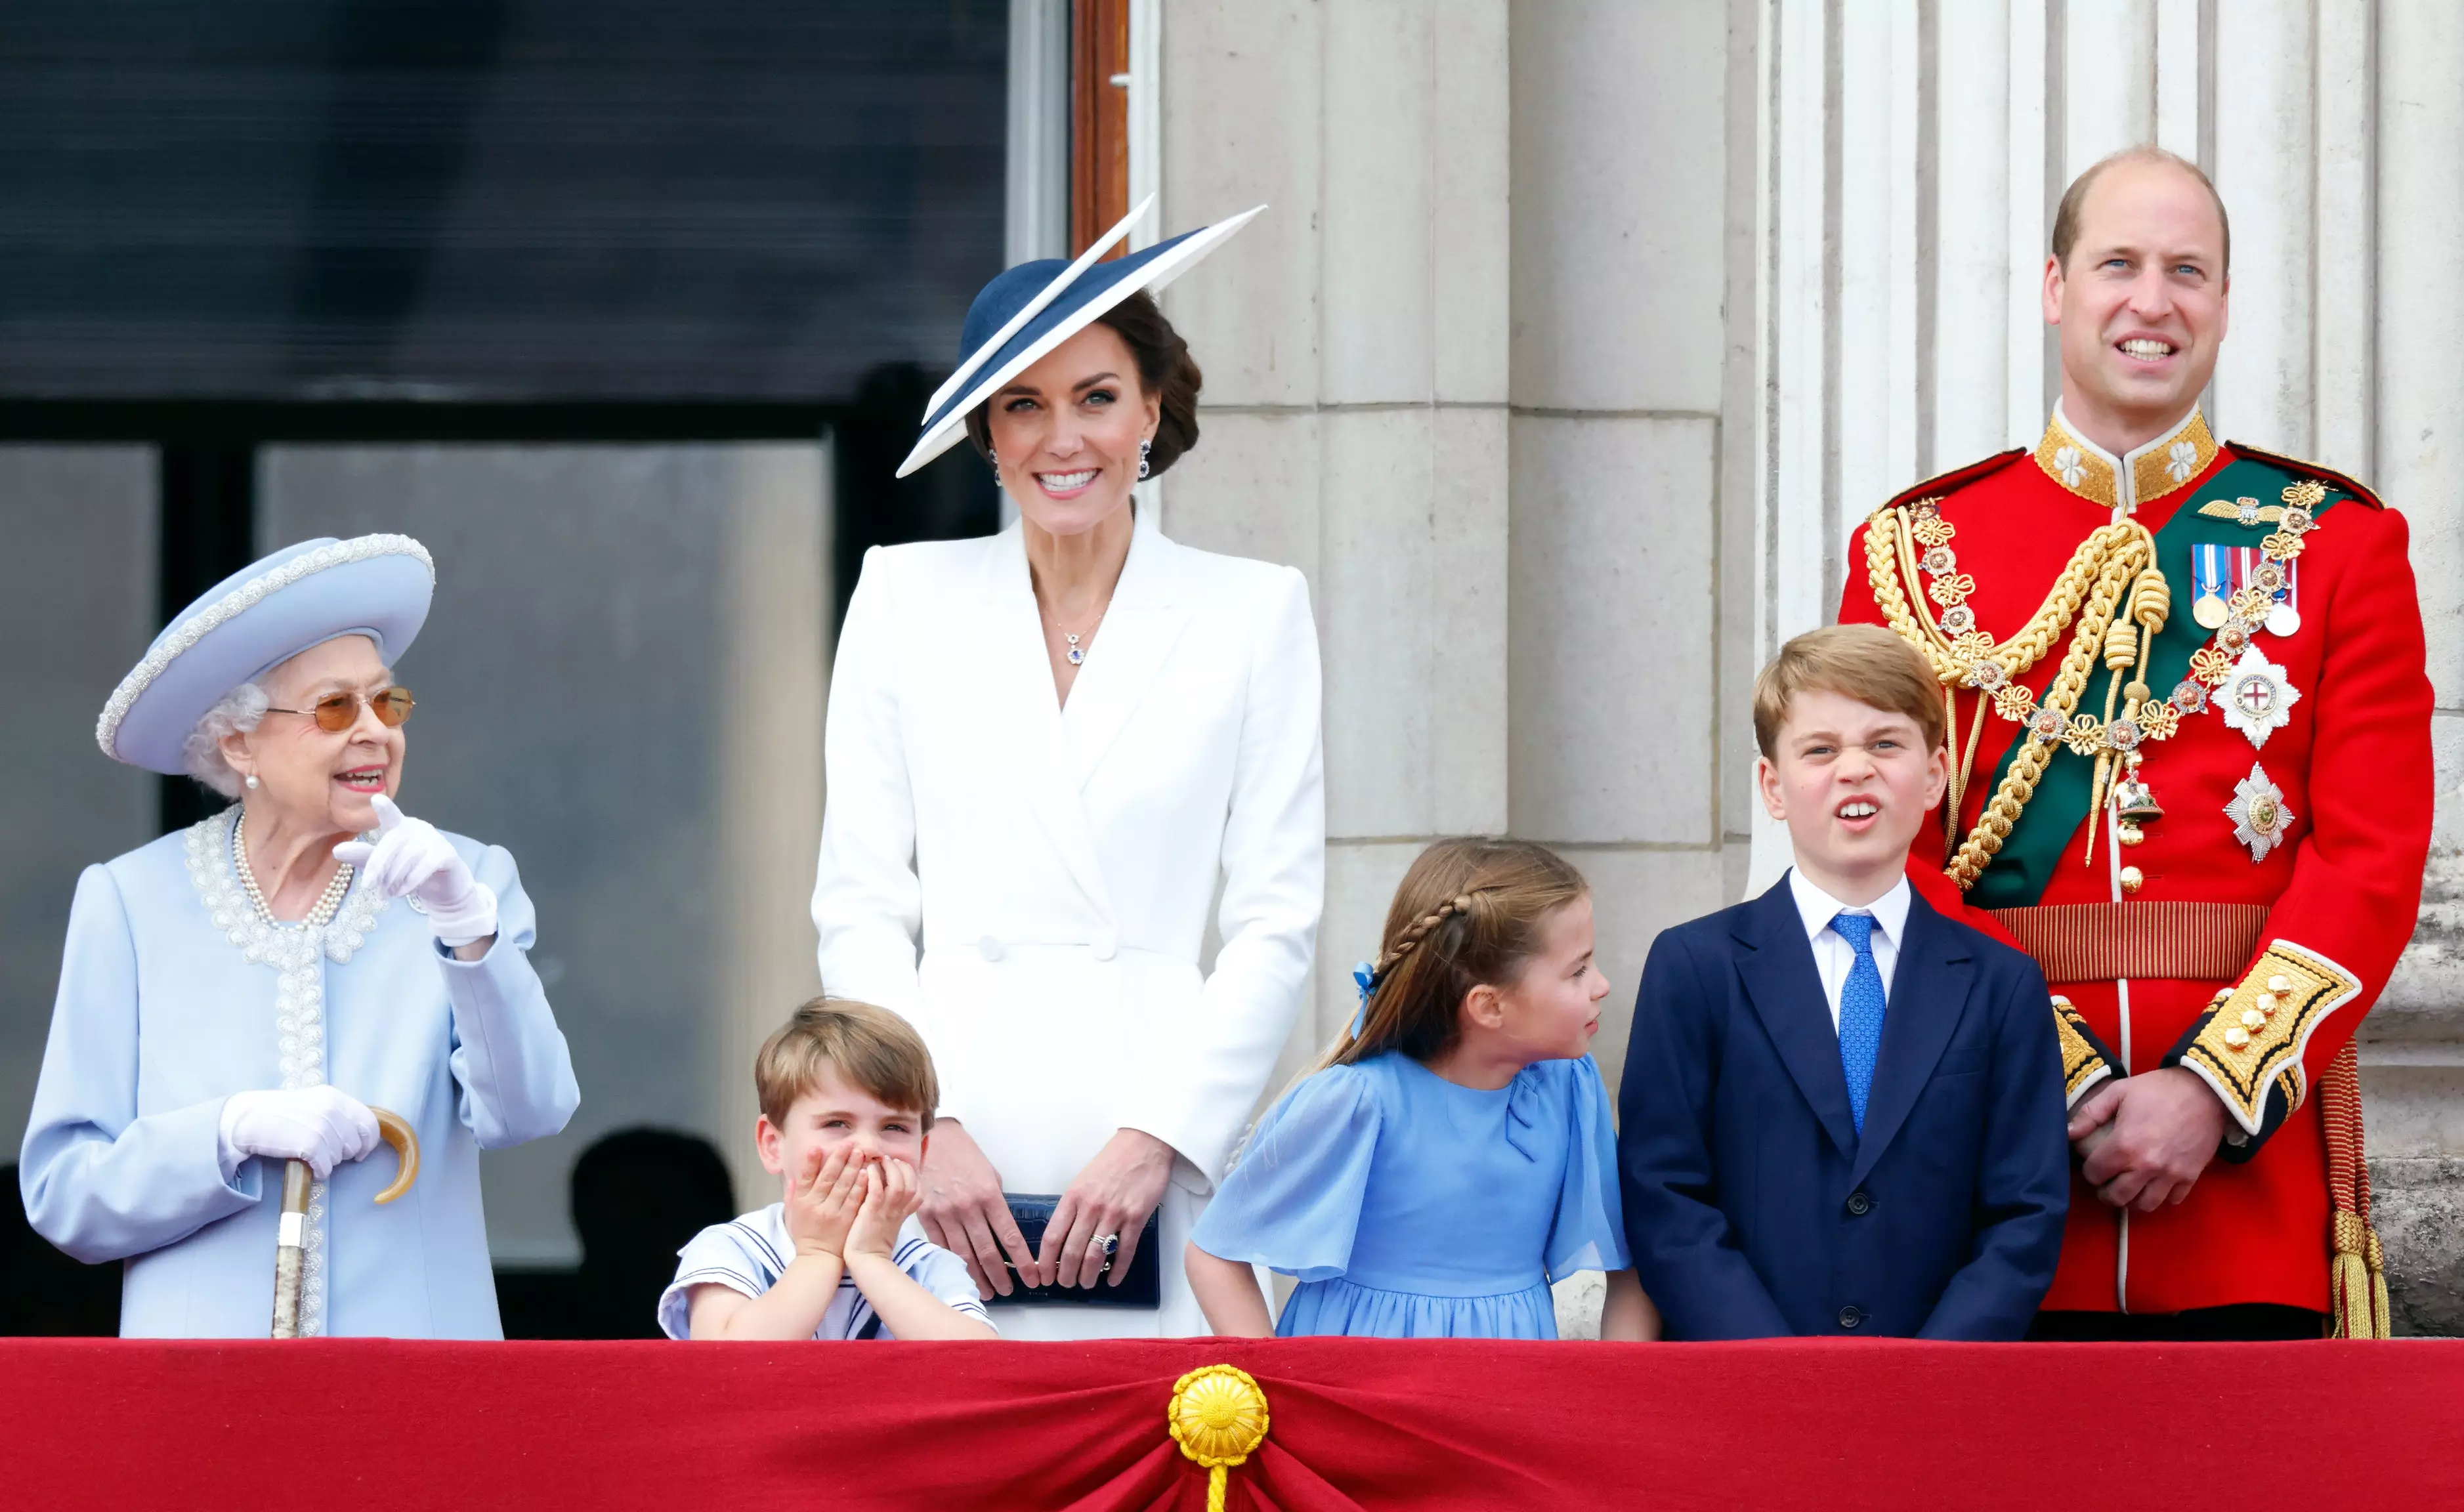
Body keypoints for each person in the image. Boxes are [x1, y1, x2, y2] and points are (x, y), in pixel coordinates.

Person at [1837, 147, 2432, 1339]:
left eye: (2186, 271)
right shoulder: (1911, 549)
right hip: (1993, 1163)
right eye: (2117, 264)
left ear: (2220, 301)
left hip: (2242, 1189)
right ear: (2055, 286)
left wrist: (2210, 1091)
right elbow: (1872, 854)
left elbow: (2368, 858)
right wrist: (2060, 1081)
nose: (2149, 301)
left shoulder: (2333, 544)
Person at [811, 199, 1326, 1339]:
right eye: (1023, 406)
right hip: (946, 1140)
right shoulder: (901, 596)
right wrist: (916, 1127)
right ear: (985, 436)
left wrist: (1159, 1135)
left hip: (1146, 1122)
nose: (1062, 438)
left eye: (1095, 397)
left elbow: (1274, 918)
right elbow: (859, 900)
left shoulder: (1253, 609)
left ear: (1150, 407)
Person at [20, 534, 580, 1337]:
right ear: (237, 742)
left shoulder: (468, 879)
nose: (374, 732)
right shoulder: (129, 901)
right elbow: (66, 1199)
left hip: (418, 1385)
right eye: (333, 708)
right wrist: (225, 1133)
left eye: (387, 703)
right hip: (198, 1393)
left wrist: (469, 937)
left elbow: (529, 1112)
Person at [1619, 626, 2069, 1339]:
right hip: (1743, 1383)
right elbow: (1664, 1192)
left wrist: (1929, 1371)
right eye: (1820, 749)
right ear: (1772, 785)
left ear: (1933, 776)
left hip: (1935, 1388)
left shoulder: (2000, 983)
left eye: (1885, 744)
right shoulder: (1694, 966)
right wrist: (1772, 1366)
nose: (1854, 769)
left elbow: (2026, 1210)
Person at [1183, 837, 1654, 1340]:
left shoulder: (1568, 1089)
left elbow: (1631, 1268)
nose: (1601, 985)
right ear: (1488, 1006)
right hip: (1361, 1382)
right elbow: (1213, 1252)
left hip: (1511, 1387)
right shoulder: (1356, 1103)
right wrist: (1276, 1396)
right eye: (1578, 970)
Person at [660, 999, 994, 1341]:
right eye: (837, 1123)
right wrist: (817, 1253)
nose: (869, 1148)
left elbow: (979, 1364)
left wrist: (873, 1259)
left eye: (894, 1128)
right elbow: (724, 1361)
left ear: (921, 1155)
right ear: (773, 1145)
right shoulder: (732, 1249)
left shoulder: (927, 1265)